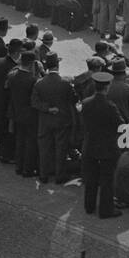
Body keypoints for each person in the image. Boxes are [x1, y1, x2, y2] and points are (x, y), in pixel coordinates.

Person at [79, 71, 122, 219]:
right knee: (106, 180)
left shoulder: (86, 103)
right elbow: (120, 125)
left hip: (90, 145)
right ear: (107, 87)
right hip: (107, 147)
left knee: (91, 178)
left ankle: (89, 206)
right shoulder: (110, 106)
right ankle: (106, 209)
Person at [33, 53, 76, 184]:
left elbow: (34, 102)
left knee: (44, 149)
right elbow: (74, 99)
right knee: (61, 149)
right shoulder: (65, 83)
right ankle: (59, 175)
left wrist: (47, 108)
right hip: (62, 120)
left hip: (45, 120)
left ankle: (43, 175)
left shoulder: (39, 84)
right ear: (57, 65)